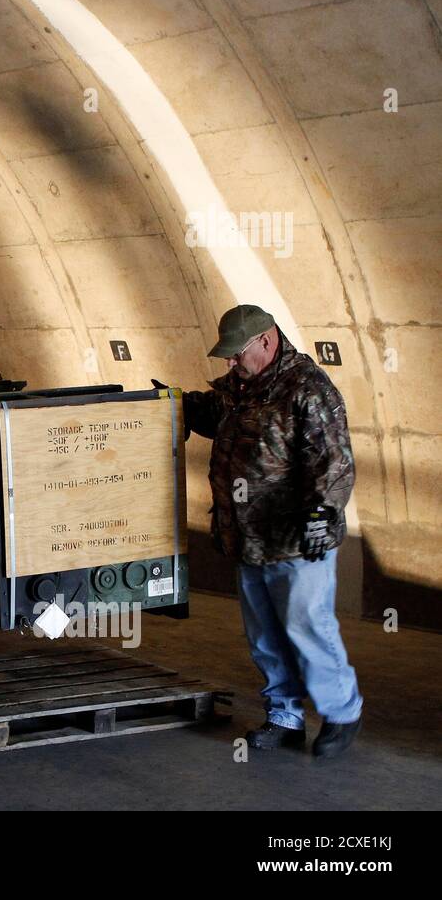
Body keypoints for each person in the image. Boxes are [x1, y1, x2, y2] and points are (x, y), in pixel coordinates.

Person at [178, 304, 361, 759]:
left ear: (266, 340)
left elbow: (333, 460)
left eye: (236, 353)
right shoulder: (241, 389)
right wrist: (175, 404)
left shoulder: (307, 388)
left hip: (296, 539)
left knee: (307, 625)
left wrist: (322, 513)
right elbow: (212, 416)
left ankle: (341, 712)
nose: (230, 363)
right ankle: (285, 715)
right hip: (248, 536)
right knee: (264, 634)